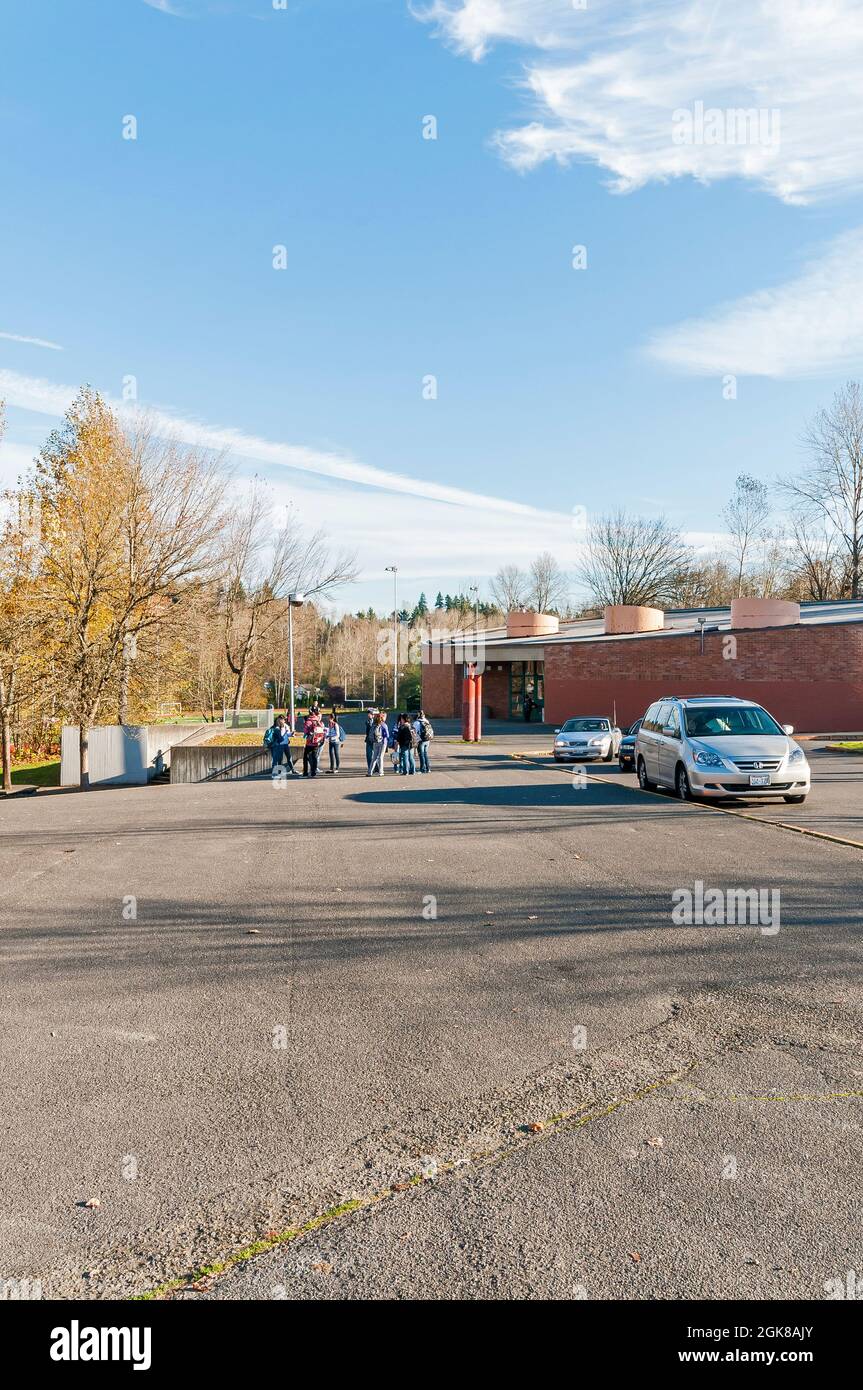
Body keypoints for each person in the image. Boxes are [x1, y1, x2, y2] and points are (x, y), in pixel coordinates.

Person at [302, 708, 325, 777]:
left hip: (309, 742)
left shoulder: (308, 722)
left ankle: (305, 772)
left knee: (305, 758)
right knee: (314, 757)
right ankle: (313, 772)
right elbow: (322, 730)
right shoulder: (318, 721)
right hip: (316, 742)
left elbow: (305, 732)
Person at [368, 711, 389, 776]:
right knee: (380, 757)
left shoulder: (374, 725)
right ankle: (381, 772)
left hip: (375, 742)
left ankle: (370, 772)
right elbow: (387, 735)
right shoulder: (384, 725)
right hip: (383, 742)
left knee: (374, 757)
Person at [413, 708, 433, 773]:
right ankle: (428, 768)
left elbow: (414, 732)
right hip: (427, 739)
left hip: (420, 740)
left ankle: (422, 769)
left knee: (421, 755)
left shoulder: (416, 722)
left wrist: (414, 742)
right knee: (425, 754)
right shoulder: (426, 721)